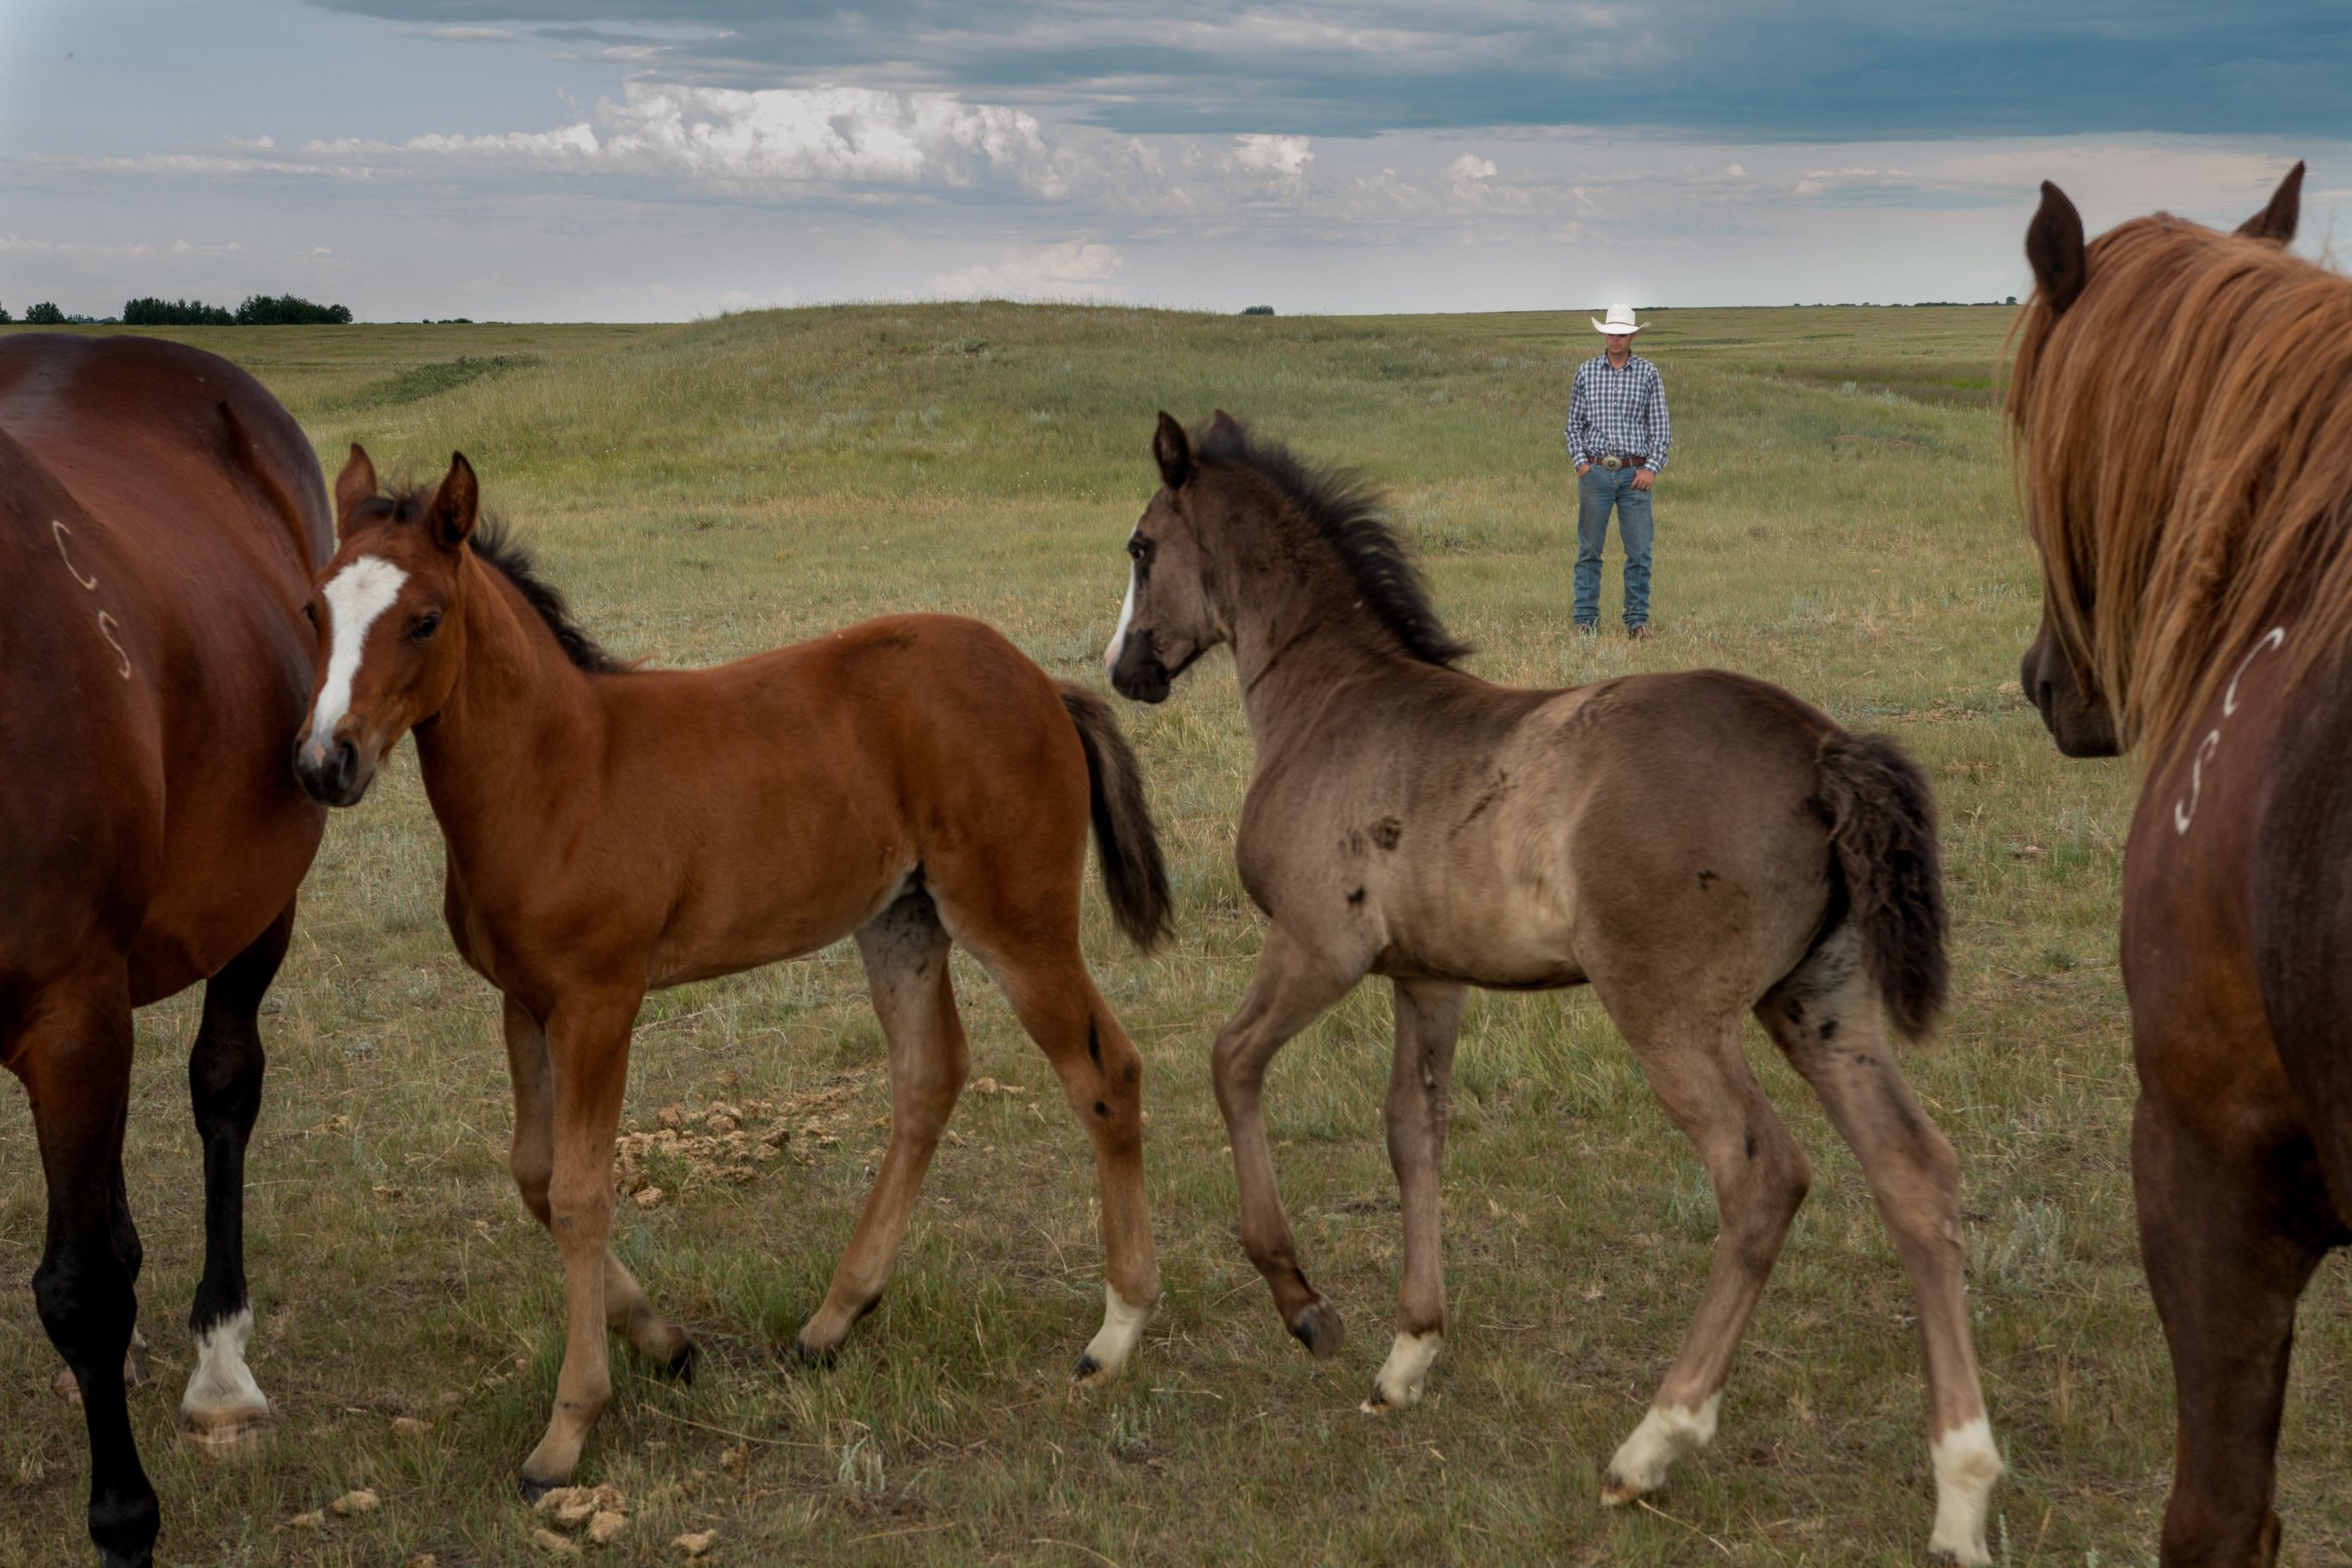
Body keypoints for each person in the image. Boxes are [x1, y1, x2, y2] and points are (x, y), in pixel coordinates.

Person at [1565, 303, 1673, 638]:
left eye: (1623, 334)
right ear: (1604, 334)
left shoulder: (1648, 373)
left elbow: (1660, 429)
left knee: (1639, 551)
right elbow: (1573, 426)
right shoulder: (1586, 372)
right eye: (1611, 333)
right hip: (1595, 472)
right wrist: (1582, 465)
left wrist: (1651, 469)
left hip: (1635, 475)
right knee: (1589, 550)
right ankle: (1586, 622)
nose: (1616, 339)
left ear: (1633, 336)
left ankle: (1637, 622)